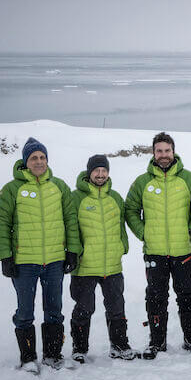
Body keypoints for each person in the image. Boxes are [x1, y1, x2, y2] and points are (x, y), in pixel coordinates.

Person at [0, 137, 81, 373]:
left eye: (42, 157)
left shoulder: (59, 186)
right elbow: (2, 223)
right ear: (25, 162)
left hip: (54, 260)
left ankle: (53, 356)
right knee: (25, 312)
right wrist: (5, 256)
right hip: (24, 263)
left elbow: (70, 220)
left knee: (54, 310)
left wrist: (72, 251)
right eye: (34, 158)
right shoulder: (12, 189)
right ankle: (28, 358)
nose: (39, 161)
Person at [125, 132, 191, 359]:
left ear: (174, 151)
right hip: (154, 252)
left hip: (183, 251)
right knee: (156, 297)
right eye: (159, 151)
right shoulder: (142, 182)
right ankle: (157, 342)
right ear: (153, 153)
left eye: (167, 151)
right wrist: (143, 232)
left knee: (187, 295)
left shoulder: (189, 179)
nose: (164, 155)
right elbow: (130, 210)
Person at [69, 155, 137, 363]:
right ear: (89, 172)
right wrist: (75, 251)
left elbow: (121, 225)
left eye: (104, 171)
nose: (100, 174)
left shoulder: (115, 197)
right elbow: (70, 228)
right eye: (96, 171)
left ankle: (119, 346)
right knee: (84, 309)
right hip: (85, 265)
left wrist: (123, 246)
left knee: (117, 308)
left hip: (112, 264)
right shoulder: (75, 198)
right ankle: (79, 348)